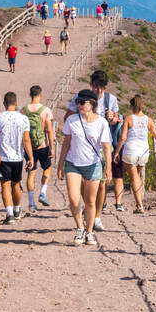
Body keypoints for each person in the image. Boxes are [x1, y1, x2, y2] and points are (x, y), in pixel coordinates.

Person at [58, 88, 112, 246]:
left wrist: (108, 168)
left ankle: (89, 232)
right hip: (73, 162)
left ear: (92, 104)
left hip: (93, 164)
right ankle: (79, 228)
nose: (79, 105)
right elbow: (66, 143)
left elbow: (107, 147)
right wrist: (60, 164)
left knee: (89, 201)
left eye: (82, 102)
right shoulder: (71, 120)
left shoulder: (101, 123)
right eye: (77, 102)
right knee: (74, 199)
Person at [115, 95, 156, 214]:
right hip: (143, 152)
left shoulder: (129, 119)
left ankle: (140, 206)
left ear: (131, 106)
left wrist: (116, 152)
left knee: (134, 178)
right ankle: (139, 205)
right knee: (137, 176)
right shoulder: (149, 120)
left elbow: (123, 137)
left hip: (130, 151)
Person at [83, 69, 118, 233]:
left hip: (104, 146)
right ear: (91, 84)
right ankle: (88, 207)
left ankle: (97, 217)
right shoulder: (82, 98)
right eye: (96, 87)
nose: (99, 91)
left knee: (103, 183)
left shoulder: (111, 99)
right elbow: (69, 115)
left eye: (102, 87)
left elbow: (116, 120)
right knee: (86, 183)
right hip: (84, 146)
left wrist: (112, 118)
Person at [0, 91, 34, 224]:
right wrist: (30, 158)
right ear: (16, 103)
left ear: (4, 103)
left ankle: (9, 215)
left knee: (5, 185)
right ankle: (17, 210)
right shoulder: (23, 118)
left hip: (3, 157)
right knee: (16, 184)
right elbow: (26, 140)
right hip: (18, 157)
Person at [24, 85, 56, 209]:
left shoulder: (24, 110)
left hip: (28, 146)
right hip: (43, 145)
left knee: (31, 174)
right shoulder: (45, 110)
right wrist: (52, 147)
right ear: (40, 94)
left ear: (29, 94)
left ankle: (31, 203)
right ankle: (43, 193)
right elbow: (49, 131)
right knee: (47, 169)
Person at [104, 106, 126, 212]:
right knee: (103, 179)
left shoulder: (122, 120)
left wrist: (119, 151)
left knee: (118, 177)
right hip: (104, 150)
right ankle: (103, 203)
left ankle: (118, 203)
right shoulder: (100, 119)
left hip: (117, 149)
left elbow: (124, 137)